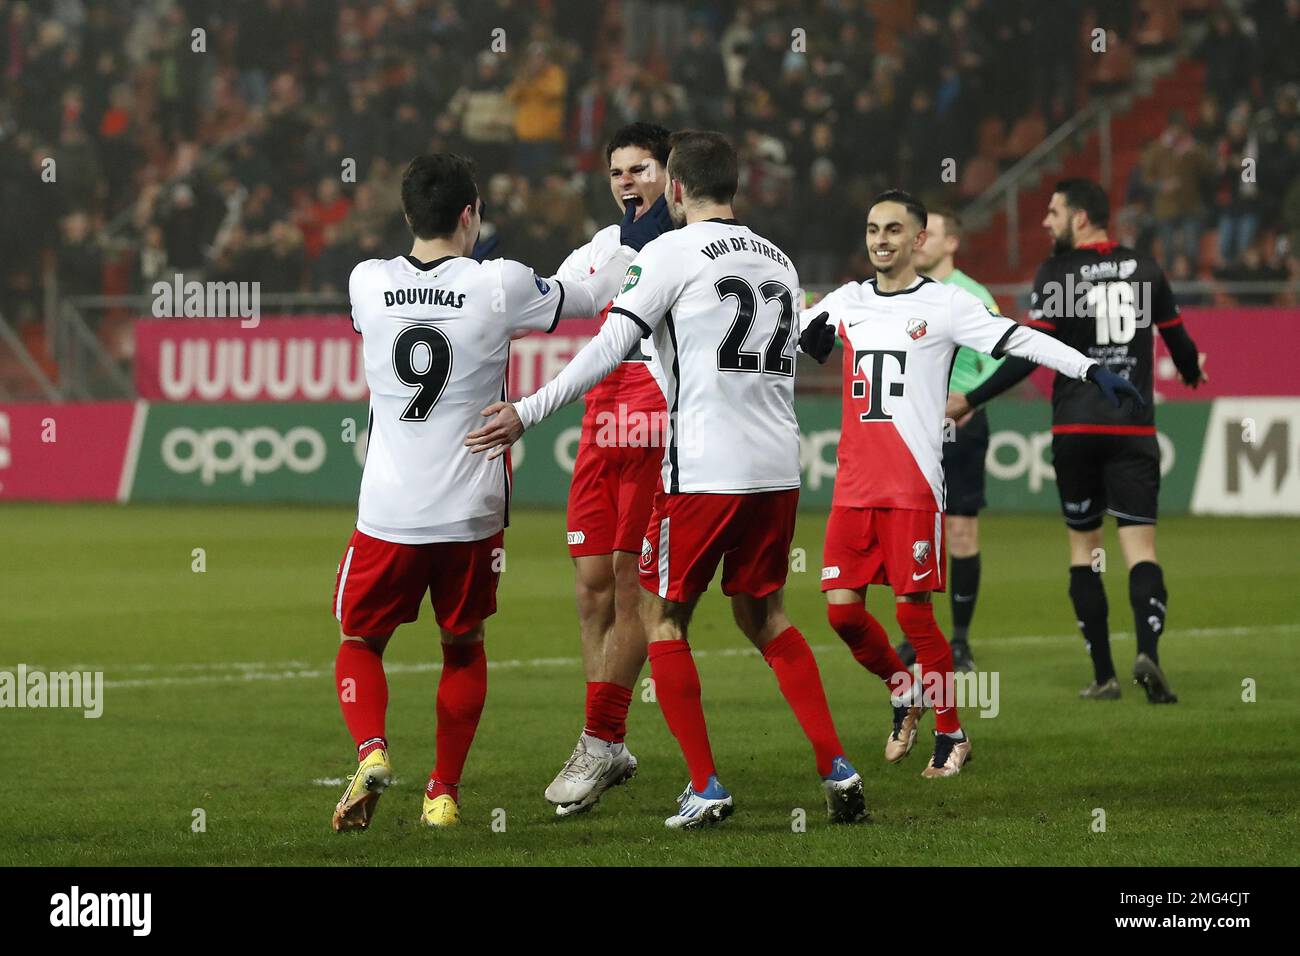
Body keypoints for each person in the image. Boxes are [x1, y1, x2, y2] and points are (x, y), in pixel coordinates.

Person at [468, 130, 868, 829]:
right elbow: (807, 342)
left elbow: (610, 347)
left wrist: (528, 410)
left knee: (661, 617)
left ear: (675, 188)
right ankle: (838, 770)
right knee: (764, 614)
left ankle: (705, 784)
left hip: (705, 466)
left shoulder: (667, 252)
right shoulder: (777, 258)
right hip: (779, 468)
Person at [329, 153, 648, 832]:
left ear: (408, 213)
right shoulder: (499, 283)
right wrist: (627, 231)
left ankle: (373, 748)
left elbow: (397, 319)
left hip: (387, 509)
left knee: (359, 640)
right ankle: (443, 793)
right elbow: (585, 296)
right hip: (471, 511)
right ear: (470, 213)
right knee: (463, 644)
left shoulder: (365, 281)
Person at [801, 189, 1143, 777]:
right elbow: (792, 335)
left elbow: (1022, 340)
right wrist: (799, 332)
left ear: (918, 240)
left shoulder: (947, 304)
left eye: (893, 230)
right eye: (872, 229)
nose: (880, 240)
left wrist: (1090, 369)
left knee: (913, 618)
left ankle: (952, 734)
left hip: (911, 487)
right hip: (853, 487)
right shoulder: (847, 300)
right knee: (841, 615)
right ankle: (903, 688)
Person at [948, 179, 1207, 703]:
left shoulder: (1058, 273)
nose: (1045, 222)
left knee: (1085, 550)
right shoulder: (1147, 268)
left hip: (1076, 427)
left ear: (1082, 218)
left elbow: (1029, 351)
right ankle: (1149, 654)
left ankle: (1104, 675)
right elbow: (1178, 341)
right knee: (1140, 546)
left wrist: (974, 397)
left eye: (1053, 212)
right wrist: (1190, 372)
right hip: (1132, 426)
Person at [542, 122, 674, 817]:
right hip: (602, 414)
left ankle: (600, 738)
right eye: (618, 171)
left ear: (668, 172)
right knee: (591, 586)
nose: (627, 181)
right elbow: (558, 294)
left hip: (656, 416)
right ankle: (607, 745)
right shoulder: (604, 245)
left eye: (640, 168)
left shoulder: (682, 240)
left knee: (630, 581)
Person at [894, 207, 1003, 673]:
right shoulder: (900, 288)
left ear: (952, 243)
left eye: (930, 233)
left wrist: (973, 397)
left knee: (959, 531)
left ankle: (959, 640)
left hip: (959, 427)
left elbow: (1002, 351)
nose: (919, 240)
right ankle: (917, 633)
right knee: (914, 533)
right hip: (911, 426)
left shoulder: (973, 295)